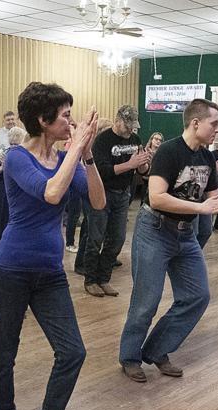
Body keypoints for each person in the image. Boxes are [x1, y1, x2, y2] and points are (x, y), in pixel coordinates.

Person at [0, 82, 104, 410]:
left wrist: (86, 156)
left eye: (72, 115)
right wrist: (75, 150)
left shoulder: (66, 158)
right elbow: (52, 193)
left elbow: (98, 202)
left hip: (50, 273)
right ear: (43, 120)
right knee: (6, 350)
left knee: (73, 351)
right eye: (65, 115)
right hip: (10, 270)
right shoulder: (18, 158)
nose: (71, 121)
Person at [119, 98, 218, 383]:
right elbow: (157, 197)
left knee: (197, 296)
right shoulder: (169, 151)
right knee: (146, 301)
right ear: (195, 123)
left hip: (185, 234)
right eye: (214, 124)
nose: (217, 130)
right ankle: (129, 357)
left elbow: (212, 197)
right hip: (155, 230)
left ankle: (157, 349)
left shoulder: (207, 157)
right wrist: (202, 209)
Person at [81, 105, 149, 297]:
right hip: (102, 193)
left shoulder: (135, 140)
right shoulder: (103, 140)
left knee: (117, 239)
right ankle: (90, 280)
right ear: (118, 120)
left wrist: (143, 163)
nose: (130, 130)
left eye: (133, 126)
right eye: (127, 125)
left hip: (122, 195)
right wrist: (130, 164)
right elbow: (101, 170)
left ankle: (104, 278)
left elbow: (142, 171)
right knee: (95, 238)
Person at [74, 118, 114, 272]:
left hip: (100, 192)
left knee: (91, 229)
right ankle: (81, 264)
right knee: (89, 230)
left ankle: (86, 262)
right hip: (90, 193)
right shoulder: (94, 148)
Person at [0, 126, 27, 261]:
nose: (14, 146)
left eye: (17, 144)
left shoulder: (27, 154)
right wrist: (3, 167)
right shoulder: (2, 151)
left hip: (18, 193)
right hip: (1, 191)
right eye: (12, 143)